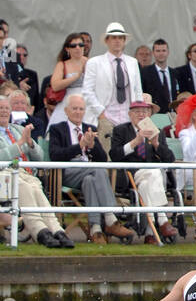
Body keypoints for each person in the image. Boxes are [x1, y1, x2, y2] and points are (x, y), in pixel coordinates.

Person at [47, 94, 137, 244]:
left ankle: (95, 229)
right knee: (97, 170)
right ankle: (110, 218)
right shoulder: (58, 129)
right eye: (74, 108)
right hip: (68, 171)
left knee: (91, 178)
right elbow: (55, 155)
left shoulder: (90, 128)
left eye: (81, 109)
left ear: (84, 112)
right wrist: (80, 146)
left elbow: (102, 158)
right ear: (67, 111)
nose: (77, 112)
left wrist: (93, 146)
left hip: (89, 172)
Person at [0, 95, 74, 247]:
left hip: (26, 173)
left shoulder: (19, 129)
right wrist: (20, 144)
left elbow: (40, 157)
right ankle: (40, 232)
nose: (3, 111)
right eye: (0, 108)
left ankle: (57, 230)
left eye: (6, 108)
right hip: (5, 175)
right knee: (24, 186)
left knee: (36, 188)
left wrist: (30, 144)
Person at [109, 95, 180, 243]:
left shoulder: (157, 132)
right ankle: (162, 221)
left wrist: (156, 145)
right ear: (130, 114)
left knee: (150, 180)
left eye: (145, 112)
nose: (141, 115)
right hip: (130, 174)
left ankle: (150, 233)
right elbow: (114, 155)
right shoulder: (121, 130)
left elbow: (170, 159)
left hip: (152, 178)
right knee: (153, 174)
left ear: (149, 115)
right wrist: (135, 142)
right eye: (137, 112)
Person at [81, 21, 144, 149]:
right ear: (107, 40)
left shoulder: (132, 62)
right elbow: (87, 91)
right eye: (113, 37)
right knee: (108, 156)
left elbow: (138, 90)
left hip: (128, 116)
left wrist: (138, 113)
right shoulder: (95, 62)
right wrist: (101, 113)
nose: (117, 41)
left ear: (124, 40)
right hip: (106, 116)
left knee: (129, 154)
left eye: (120, 38)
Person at [46, 33, 89, 127]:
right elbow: (55, 85)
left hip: (87, 100)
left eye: (81, 45)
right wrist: (76, 77)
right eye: (73, 46)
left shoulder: (90, 62)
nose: (78, 48)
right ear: (67, 49)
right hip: (68, 100)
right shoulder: (62, 64)